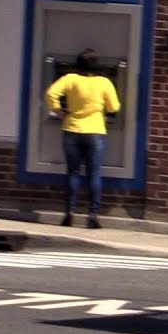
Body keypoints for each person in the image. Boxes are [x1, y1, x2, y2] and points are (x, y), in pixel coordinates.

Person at [46, 49, 120, 228]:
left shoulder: (70, 79)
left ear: (77, 64)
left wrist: (59, 111)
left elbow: (50, 93)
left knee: (73, 173)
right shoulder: (104, 82)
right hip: (95, 131)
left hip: (72, 129)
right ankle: (93, 215)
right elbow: (114, 107)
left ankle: (69, 213)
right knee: (94, 174)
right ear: (97, 65)